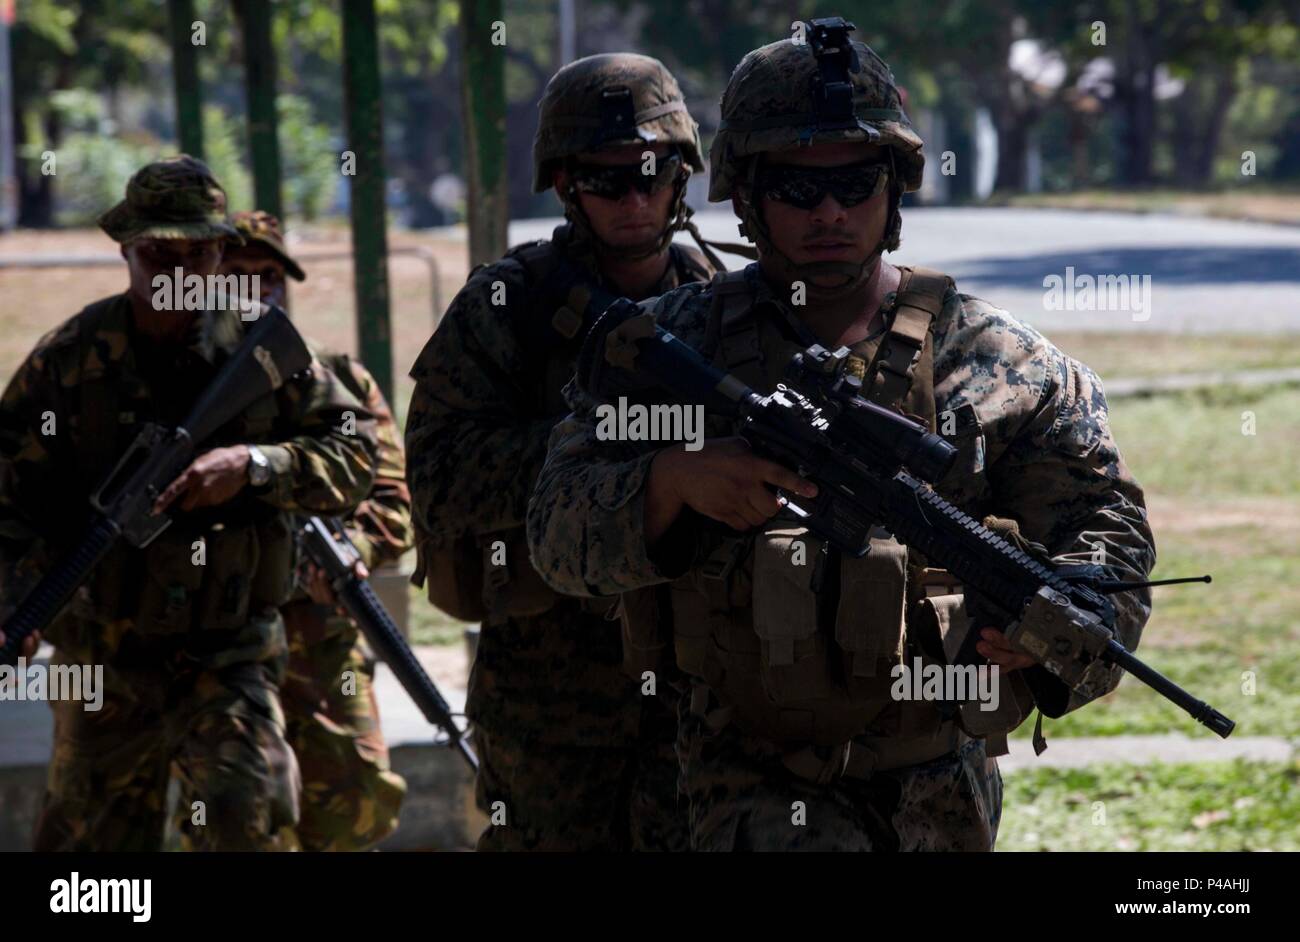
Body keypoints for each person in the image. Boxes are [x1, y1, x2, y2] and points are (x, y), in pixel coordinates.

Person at [526, 21, 1157, 852]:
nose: (829, 212)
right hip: (741, 783)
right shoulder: (662, 351)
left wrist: (1056, 623)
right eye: (795, 189)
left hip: (941, 784)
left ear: (894, 193)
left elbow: (1108, 535)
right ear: (746, 197)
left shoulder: (1000, 360)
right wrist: (673, 482)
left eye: (856, 183)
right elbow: (554, 535)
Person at [0, 155, 377, 851]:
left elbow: (357, 455)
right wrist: (15, 602)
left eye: (198, 253)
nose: (177, 274)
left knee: (244, 814)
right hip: (106, 657)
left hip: (229, 649)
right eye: (157, 255)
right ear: (126, 251)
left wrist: (260, 466)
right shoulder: (72, 360)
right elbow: (8, 500)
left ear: (222, 252)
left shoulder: (267, 355)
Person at [405, 53, 718, 851]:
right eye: (608, 179)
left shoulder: (722, 301)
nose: (636, 197)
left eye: (653, 173)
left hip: (696, 685)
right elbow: (436, 478)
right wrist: (601, 446)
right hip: (550, 697)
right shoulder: (507, 304)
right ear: (566, 184)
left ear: (683, 172)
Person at [174, 208, 409, 852]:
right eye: (239, 275)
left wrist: (349, 548)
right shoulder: (179, 389)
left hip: (318, 634)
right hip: (218, 638)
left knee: (357, 804)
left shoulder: (338, 381)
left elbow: (392, 500)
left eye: (271, 276)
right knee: (243, 813)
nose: (257, 291)